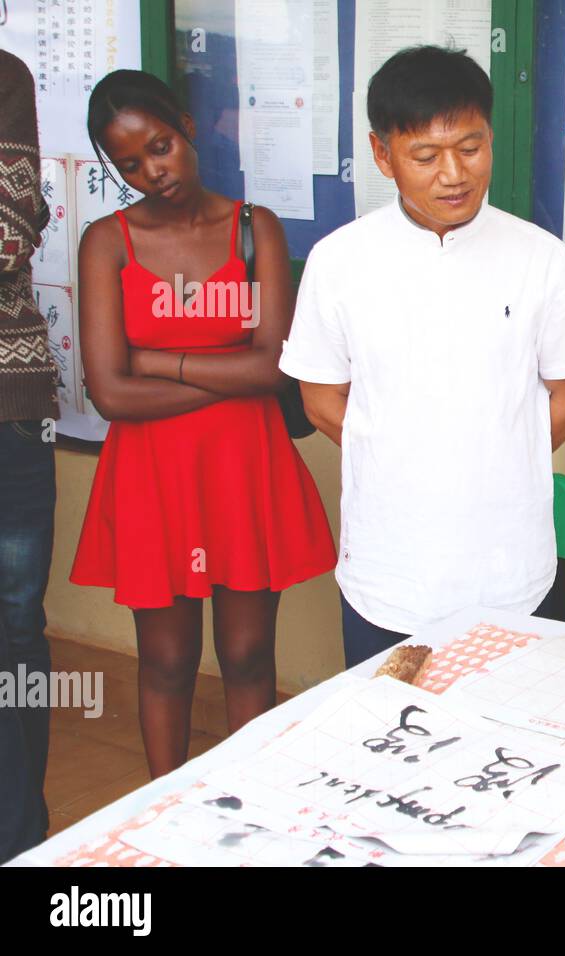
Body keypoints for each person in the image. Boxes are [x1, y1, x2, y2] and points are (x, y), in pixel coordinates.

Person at [280, 46, 565, 667]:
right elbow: (319, 398)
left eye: (471, 147)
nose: (453, 173)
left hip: (513, 569)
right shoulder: (340, 261)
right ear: (382, 154)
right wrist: (398, 454)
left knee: (508, 744)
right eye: (425, 156)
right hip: (387, 572)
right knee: (394, 741)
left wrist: (498, 451)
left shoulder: (541, 259)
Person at [71, 70, 336, 776]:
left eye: (160, 146)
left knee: (248, 654)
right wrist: (226, 373)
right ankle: (165, 813)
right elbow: (110, 395)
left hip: (242, 468)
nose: (152, 172)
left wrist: (156, 359)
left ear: (186, 126)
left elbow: (275, 368)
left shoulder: (256, 230)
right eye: (128, 163)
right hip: (153, 476)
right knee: (166, 659)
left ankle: (249, 807)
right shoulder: (107, 243)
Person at [0, 50, 60, 862]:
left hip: (8, 412)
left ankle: (18, 840)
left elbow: (9, 235)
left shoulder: (4, 79)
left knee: (13, 631)